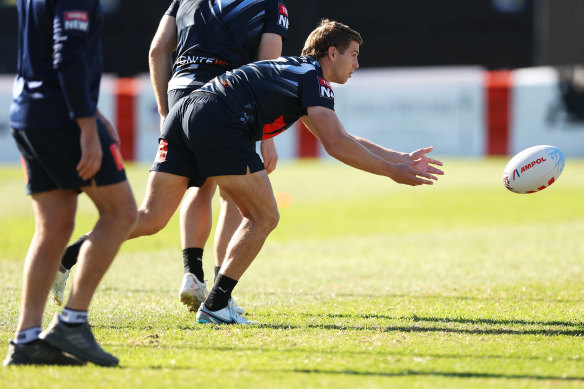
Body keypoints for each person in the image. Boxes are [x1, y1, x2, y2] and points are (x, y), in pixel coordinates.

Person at [48, 19, 444, 326]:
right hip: (219, 120)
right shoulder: (314, 81)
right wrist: (394, 172)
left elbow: (341, 135)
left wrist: (399, 157)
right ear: (331, 52)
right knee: (265, 215)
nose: (357, 63)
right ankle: (217, 305)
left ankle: (64, 259)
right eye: (354, 54)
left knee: (150, 219)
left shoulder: (296, 71)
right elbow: (336, 144)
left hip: (188, 108)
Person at [51, 0, 289, 315]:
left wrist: (168, 113)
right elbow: (266, 67)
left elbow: (157, 50)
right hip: (225, 101)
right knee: (241, 202)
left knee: (152, 214)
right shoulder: (270, 5)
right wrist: (267, 136)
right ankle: (221, 296)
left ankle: (67, 258)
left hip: (179, 97)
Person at [3, 0, 138, 367]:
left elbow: (45, 51)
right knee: (121, 212)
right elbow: (67, 52)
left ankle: (27, 339)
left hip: (28, 114)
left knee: (54, 227)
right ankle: (72, 321)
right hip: (61, 119)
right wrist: (85, 125)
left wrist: (92, 112)